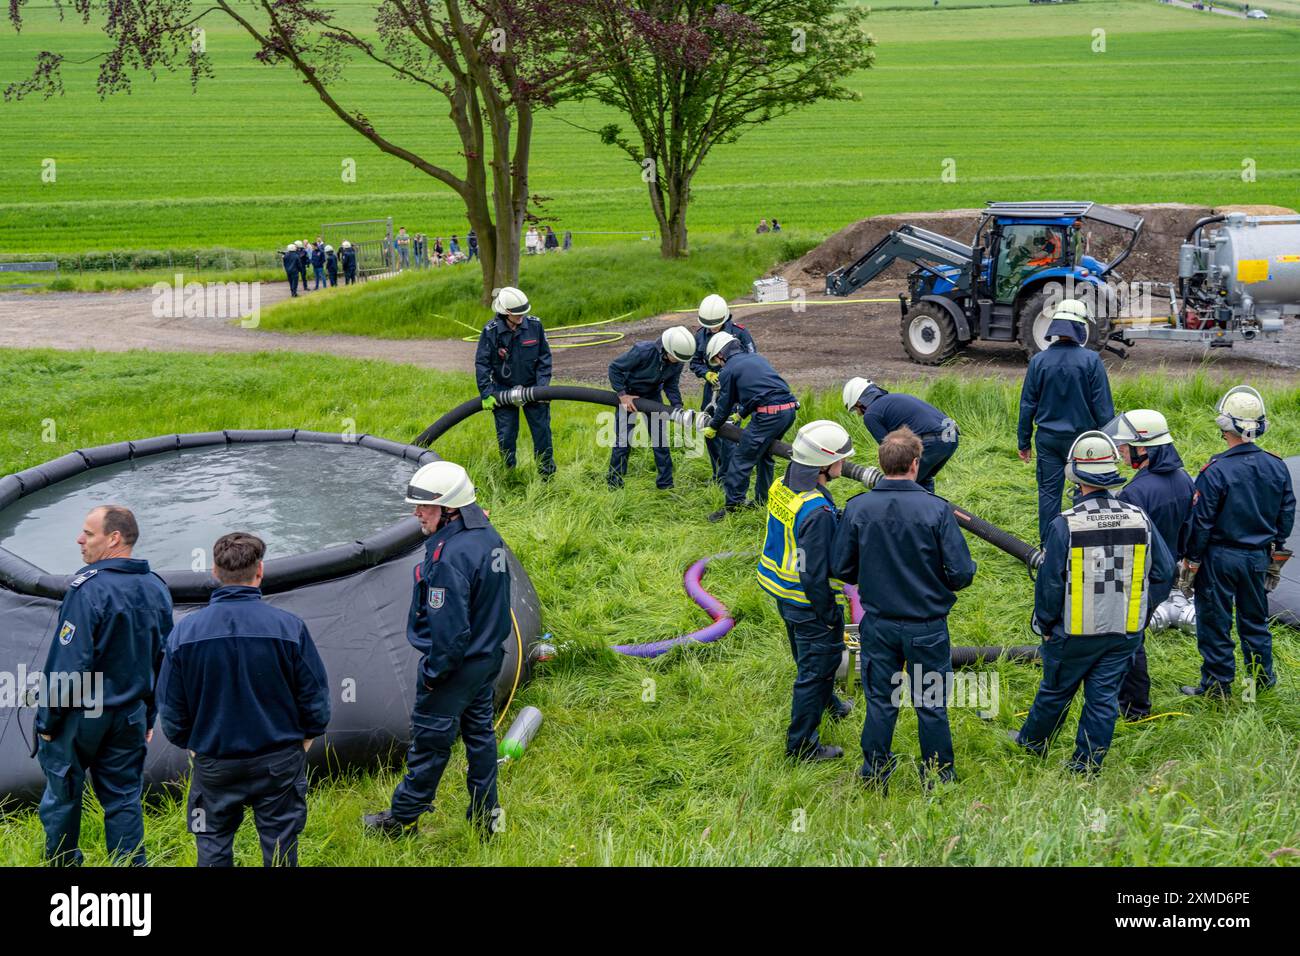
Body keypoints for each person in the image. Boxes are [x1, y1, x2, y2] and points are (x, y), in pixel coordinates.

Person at [157, 533, 330, 867]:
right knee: (281, 846)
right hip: (279, 759)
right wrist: (305, 740)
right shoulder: (289, 627)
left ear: (214, 572)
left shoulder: (184, 633)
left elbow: (171, 710)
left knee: (212, 843)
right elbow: (316, 699)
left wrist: (193, 745)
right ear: (260, 571)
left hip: (214, 762)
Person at [1010, 432, 1173, 773]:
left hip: (1073, 632)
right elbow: (1165, 570)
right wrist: (1143, 612)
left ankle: (1032, 746)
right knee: (1103, 700)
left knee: (1055, 691)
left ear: (1075, 475)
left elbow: (1051, 583)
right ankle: (1085, 766)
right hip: (1125, 631)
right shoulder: (1139, 517)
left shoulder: (1065, 524)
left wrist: (1047, 625)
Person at [364, 462, 510, 838]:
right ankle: (485, 817)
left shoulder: (447, 558)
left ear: (450, 510)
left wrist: (433, 675)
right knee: (480, 737)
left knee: (429, 745)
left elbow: (450, 633)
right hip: (488, 659)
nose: (416, 515)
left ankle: (401, 820)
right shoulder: (487, 535)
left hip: (454, 670)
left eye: (424, 508)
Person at [833, 428, 976, 788]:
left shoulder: (857, 508)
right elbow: (962, 573)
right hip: (926, 626)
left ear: (882, 464)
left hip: (878, 625)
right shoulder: (938, 510)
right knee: (931, 704)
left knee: (881, 702)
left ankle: (875, 774)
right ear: (916, 464)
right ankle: (939, 779)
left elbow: (841, 567)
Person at [34, 505, 173, 866]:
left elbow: (70, 664)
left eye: (88, 533)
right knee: (124, 798)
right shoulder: (157, 588)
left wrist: (47, 721)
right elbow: (163, 661)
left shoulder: (87, 589)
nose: (80, 539)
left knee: (63, 796)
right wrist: (148, 719)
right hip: (130, 715)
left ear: (114, 538)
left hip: (82, 715)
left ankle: (64, 872)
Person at [1181, 386, 1295, 698]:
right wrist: (1276, 550)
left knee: (1216, 626)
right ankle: (1255, 688)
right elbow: (1286, 516)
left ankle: (1217, 690)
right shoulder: (1277, 465)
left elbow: (1200, 522)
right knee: (1255, 625)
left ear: (1224, 425)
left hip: (1219, 558)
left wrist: (1192, 560)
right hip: (1258, 558)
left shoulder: (1215, 471)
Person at [758, 421, 857, 761]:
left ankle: (830, 704)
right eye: (841, 459)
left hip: (780, 589)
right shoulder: (816, 512)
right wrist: (829, 614)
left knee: (808, 657)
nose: (845, 464)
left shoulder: (782, 485)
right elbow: (814, 573)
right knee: (816, 668)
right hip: (807, 600)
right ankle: (801, 746)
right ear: (823, 465)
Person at [1102, 408, 1194, 720]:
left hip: (1139, 576)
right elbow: (1188, 529)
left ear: (1144, 448)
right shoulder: (1184, 479)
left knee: (1131, 639)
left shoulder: (1135, 492)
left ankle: (1134, 707)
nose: (1122, 454)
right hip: (1166, 573)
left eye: (1126, 448)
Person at [1017, 298, 1115, 544]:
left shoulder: (1039, 361)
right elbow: (1103, 407)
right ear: (1080, 328)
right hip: (1083, 442)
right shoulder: (1091, 361)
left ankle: (1048, 547)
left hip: (1048, 440)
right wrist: (1111, 444)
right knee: (1084, 491)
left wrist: (1023, 442)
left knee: (1049, 495)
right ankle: (1079, 542)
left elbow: (1028, 404)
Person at [704, 332, 798, 521]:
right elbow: (761, 390)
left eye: (716, 360)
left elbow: (723, 405)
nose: (719, 364)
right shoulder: (755, 359)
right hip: (789, 410)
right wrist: (741, 414)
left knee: (741, 460)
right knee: (765, 455)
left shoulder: (728, 370)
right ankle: (762, 501)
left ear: (721, 355)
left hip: (769, 416)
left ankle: (733, 507)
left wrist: (713, 426)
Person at [475, 286, 555, 479]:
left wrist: (541, 389)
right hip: (503, 390)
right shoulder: (490, 332)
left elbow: (545, 358)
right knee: (507, 436)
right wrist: (487, 394)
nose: (521, 318)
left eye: (523, 314)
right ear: (504, 312)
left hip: (533, 388)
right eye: (517, 315)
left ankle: (547, 476)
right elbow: (482, 363)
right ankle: (509, 474)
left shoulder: (535, 326)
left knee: (542, 434)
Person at [607, 328, 694, 490]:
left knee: (660, 441)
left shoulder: (678, 359)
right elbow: (614, 368)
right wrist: (622, 395)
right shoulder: (643, 351)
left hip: (652, 397)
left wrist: (678, 407)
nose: (679, 362)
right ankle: (614, 483)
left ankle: (665, 484)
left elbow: (671, 385)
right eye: (677, 358)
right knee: (623, 441)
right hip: (629, 395)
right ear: (667, 349)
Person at [842, 377, 957, 494]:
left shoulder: (870, 414)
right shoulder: (894, 399)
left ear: (859, 402)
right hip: (951, 436)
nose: (859, 414)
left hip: (932, 442)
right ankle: (931, 509)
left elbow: (890, 450)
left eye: (856, 409)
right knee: (921, 481)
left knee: (900, 485)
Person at [690, 294, 755, 484]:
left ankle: (730, 479)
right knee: (710, 433)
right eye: (708, 325)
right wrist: (706, 374)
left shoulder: (740, 334)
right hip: (712, 392)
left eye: (715, 324)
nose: (712, 328)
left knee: (729, 437)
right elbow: (695, 362)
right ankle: (718, 474)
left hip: (734, 392)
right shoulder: (700, 335)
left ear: (725, 318)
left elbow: (751, 361)